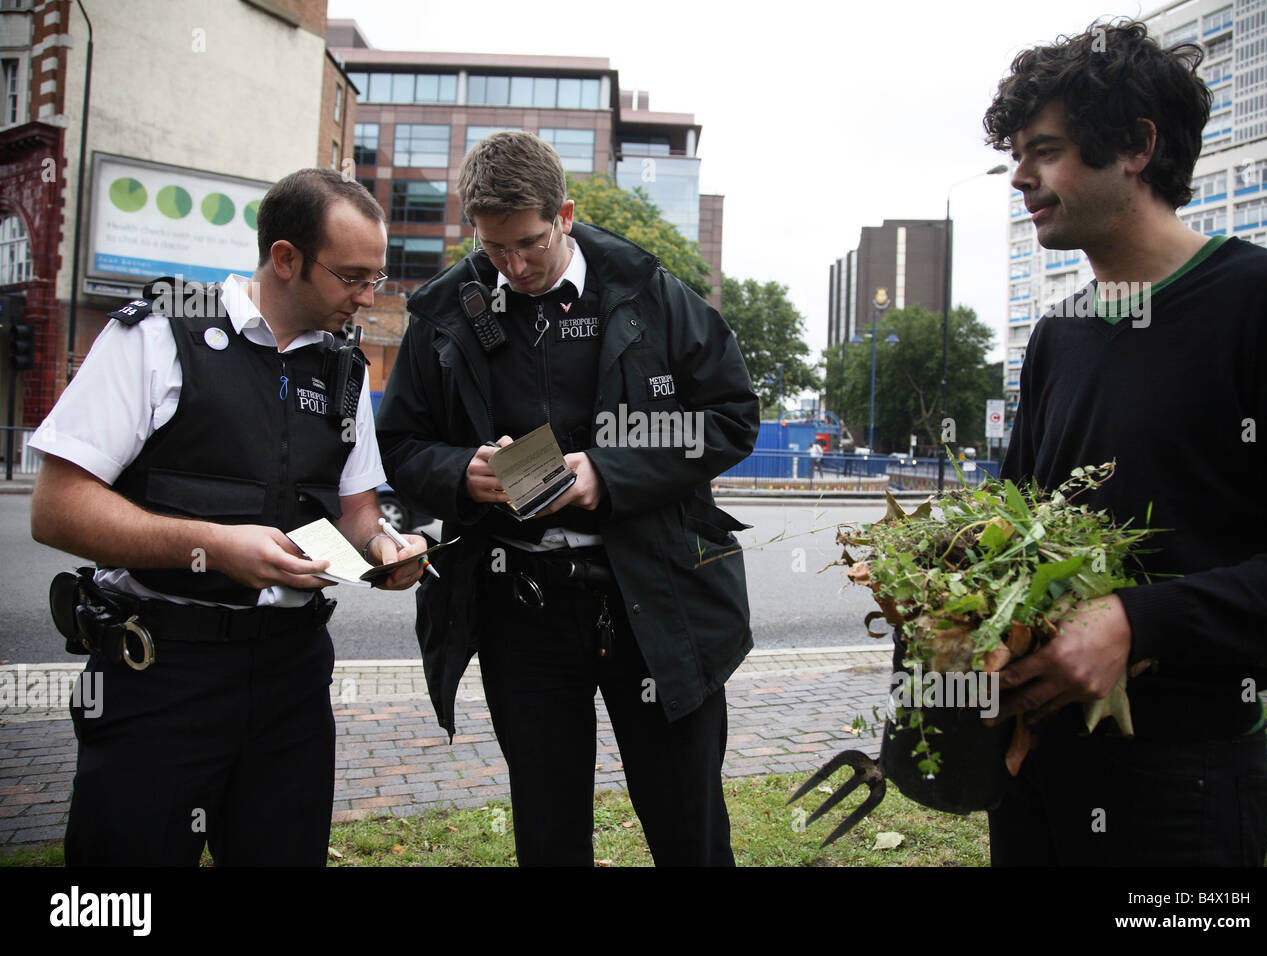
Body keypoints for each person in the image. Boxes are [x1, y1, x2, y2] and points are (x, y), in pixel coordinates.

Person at [377, 130, 759, 866]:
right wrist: (462, 472)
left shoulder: (650, 291)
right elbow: (401, 444)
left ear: (566, 214)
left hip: (652, 597)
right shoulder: (445, 315)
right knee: (548, 831)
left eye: (529, 244)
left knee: (688, 823)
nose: (513, 267)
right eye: (494, 249)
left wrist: (607, 474)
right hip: (521, 611)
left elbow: (731, 416)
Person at [29, 168, 426, 866]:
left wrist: (387, 548)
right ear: (285, 258)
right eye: (352, 277)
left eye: (376, 277)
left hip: (292, 677)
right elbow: (58, 509)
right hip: (160, 673)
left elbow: (360, 512)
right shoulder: (156, 336)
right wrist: (213, 547)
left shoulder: (345, 369)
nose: (368, 297)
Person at [983, 19, 1267, 865]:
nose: (1020, 177)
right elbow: (1011, 529)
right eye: (1015, 154)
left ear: (1135, 145)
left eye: (1042, 150)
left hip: (1183, 783)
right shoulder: (1059, 335)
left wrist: (1136, 619)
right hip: (1036, 764)